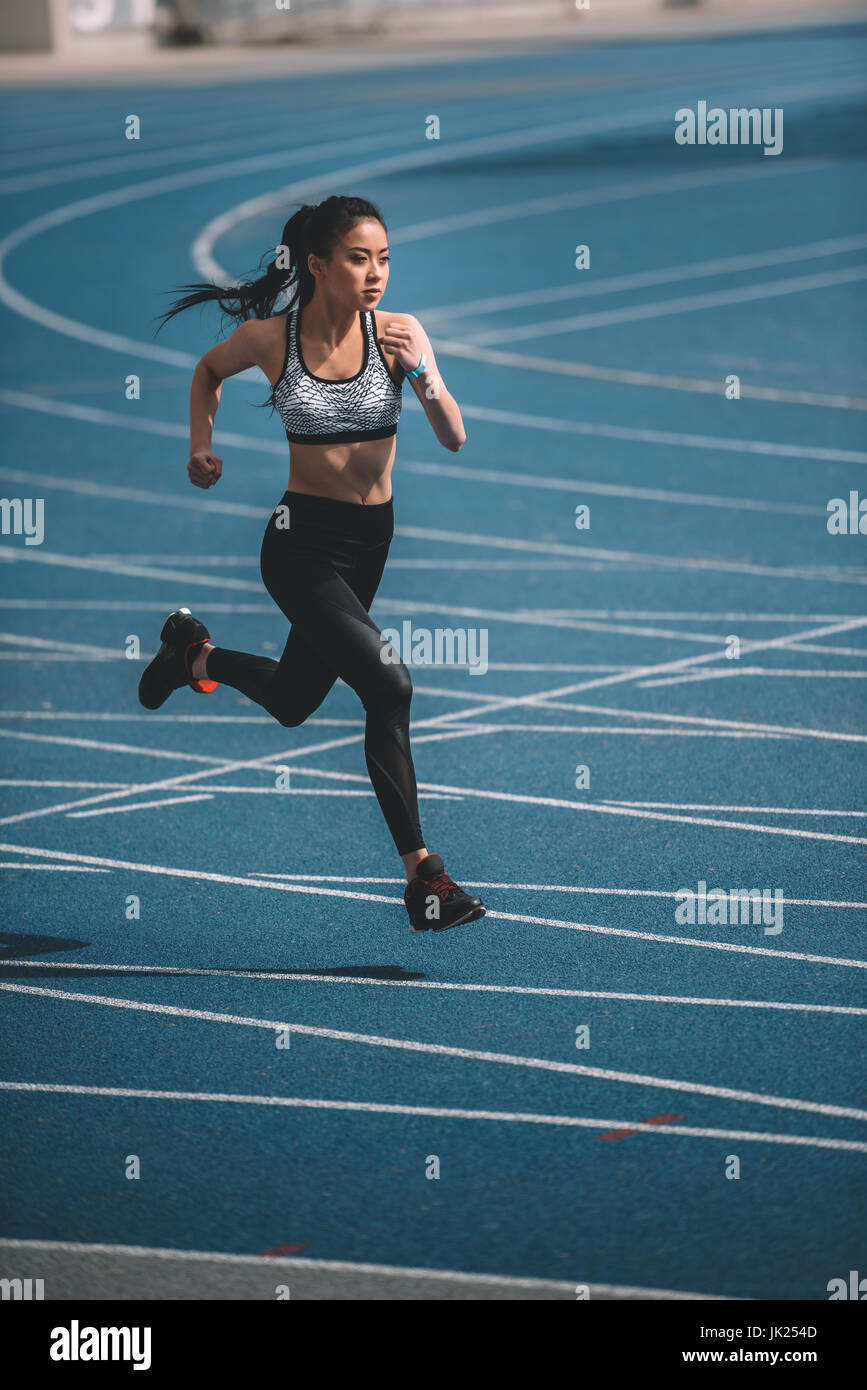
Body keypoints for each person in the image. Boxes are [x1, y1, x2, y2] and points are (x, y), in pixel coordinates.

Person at [139, 194, 485, 934]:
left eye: (384, 258)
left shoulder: (399, 332)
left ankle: (192, 654)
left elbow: (454, 434)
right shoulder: (274, 340)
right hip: (298, 546)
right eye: (359, 258)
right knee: (388, 686)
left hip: (370, 546)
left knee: (295, 700)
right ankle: (425, 881)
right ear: (320, 265)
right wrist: (199, 446)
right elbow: (207, 370)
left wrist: (421, 372)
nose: (375, 273)